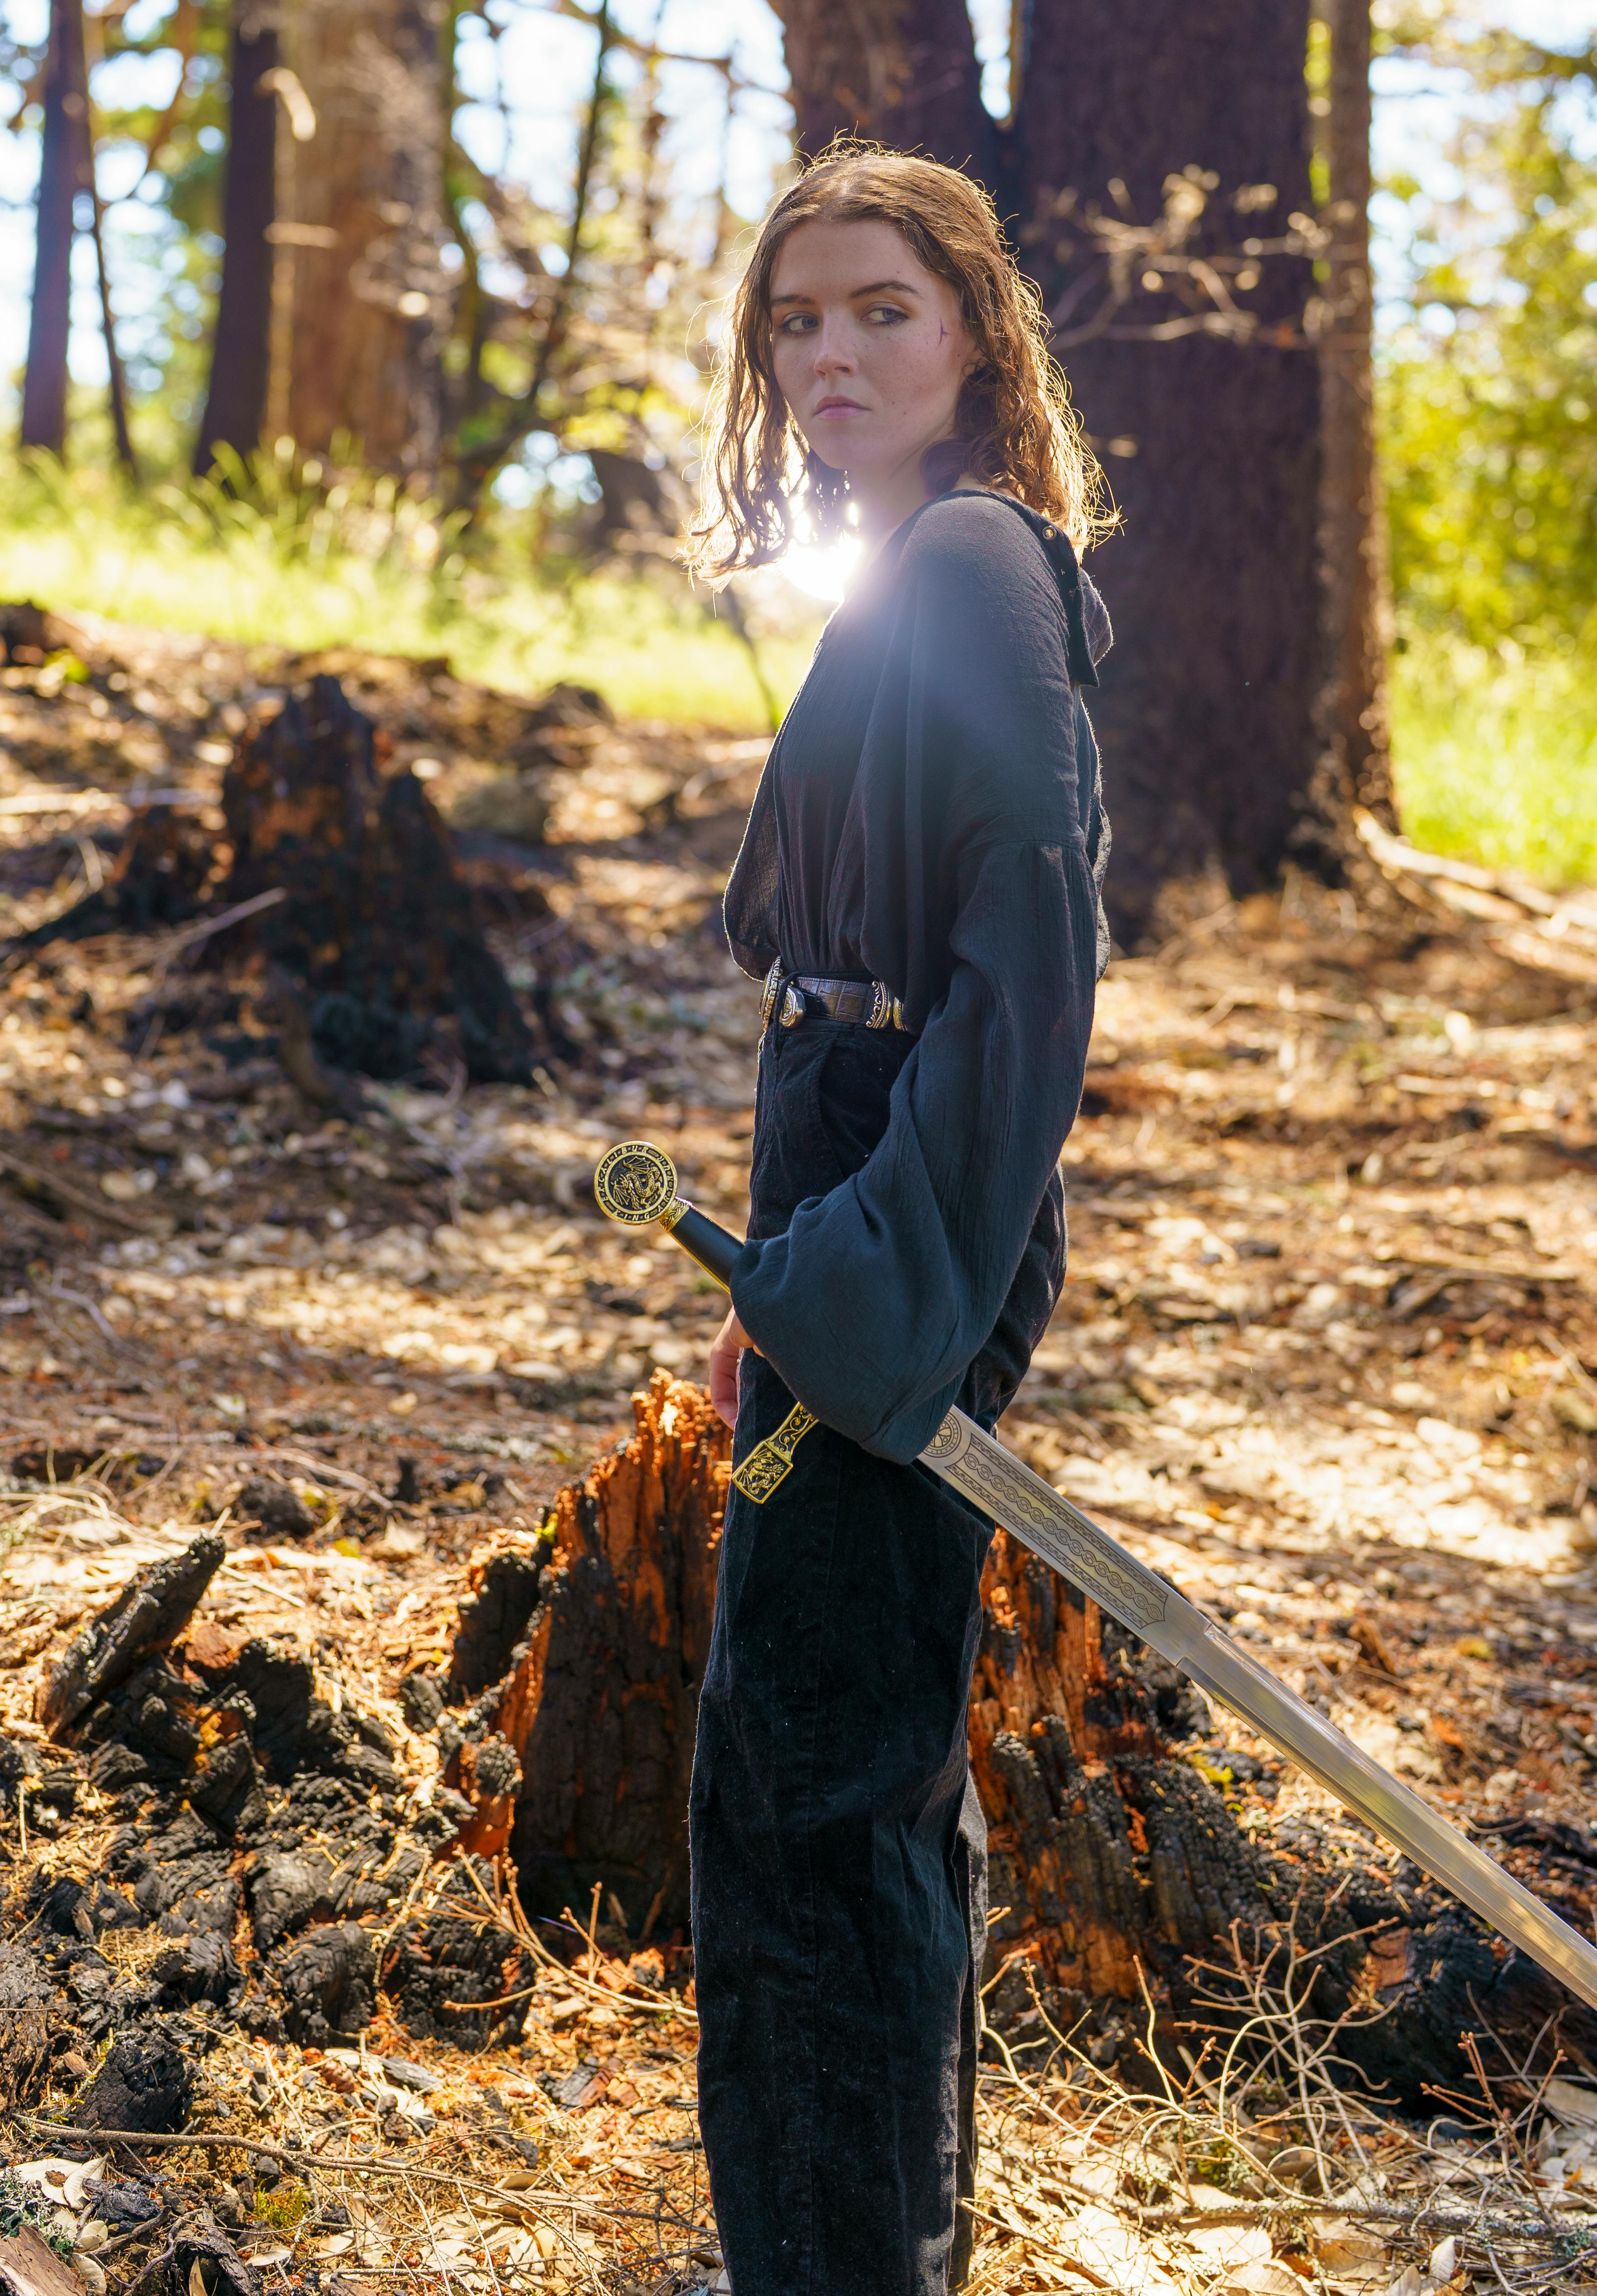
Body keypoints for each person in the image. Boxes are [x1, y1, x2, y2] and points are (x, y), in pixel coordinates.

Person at [682, 141, 1116, 2296]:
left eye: (881, 310)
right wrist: (781, 1288)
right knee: (832, 1753)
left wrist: (862, 1286)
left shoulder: (966, 568)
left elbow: (1024, 970)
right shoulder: (909, 572)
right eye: (796, 317)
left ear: (972, 338)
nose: (832, 351)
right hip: (842, 1190)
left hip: (904, 1209)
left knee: (814, 1788)